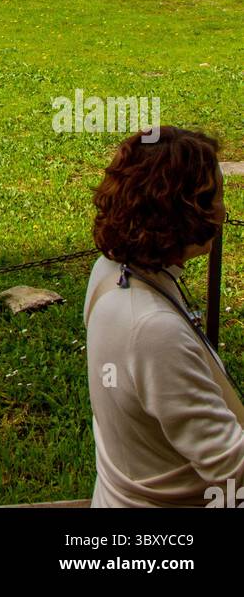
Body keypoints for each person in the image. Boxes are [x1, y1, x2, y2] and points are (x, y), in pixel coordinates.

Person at [85, 127, 244, 508]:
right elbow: (230, 467)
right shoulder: (152, 330)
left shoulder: (108, 272)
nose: (223, 211)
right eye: (214, 198)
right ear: (179, 210)